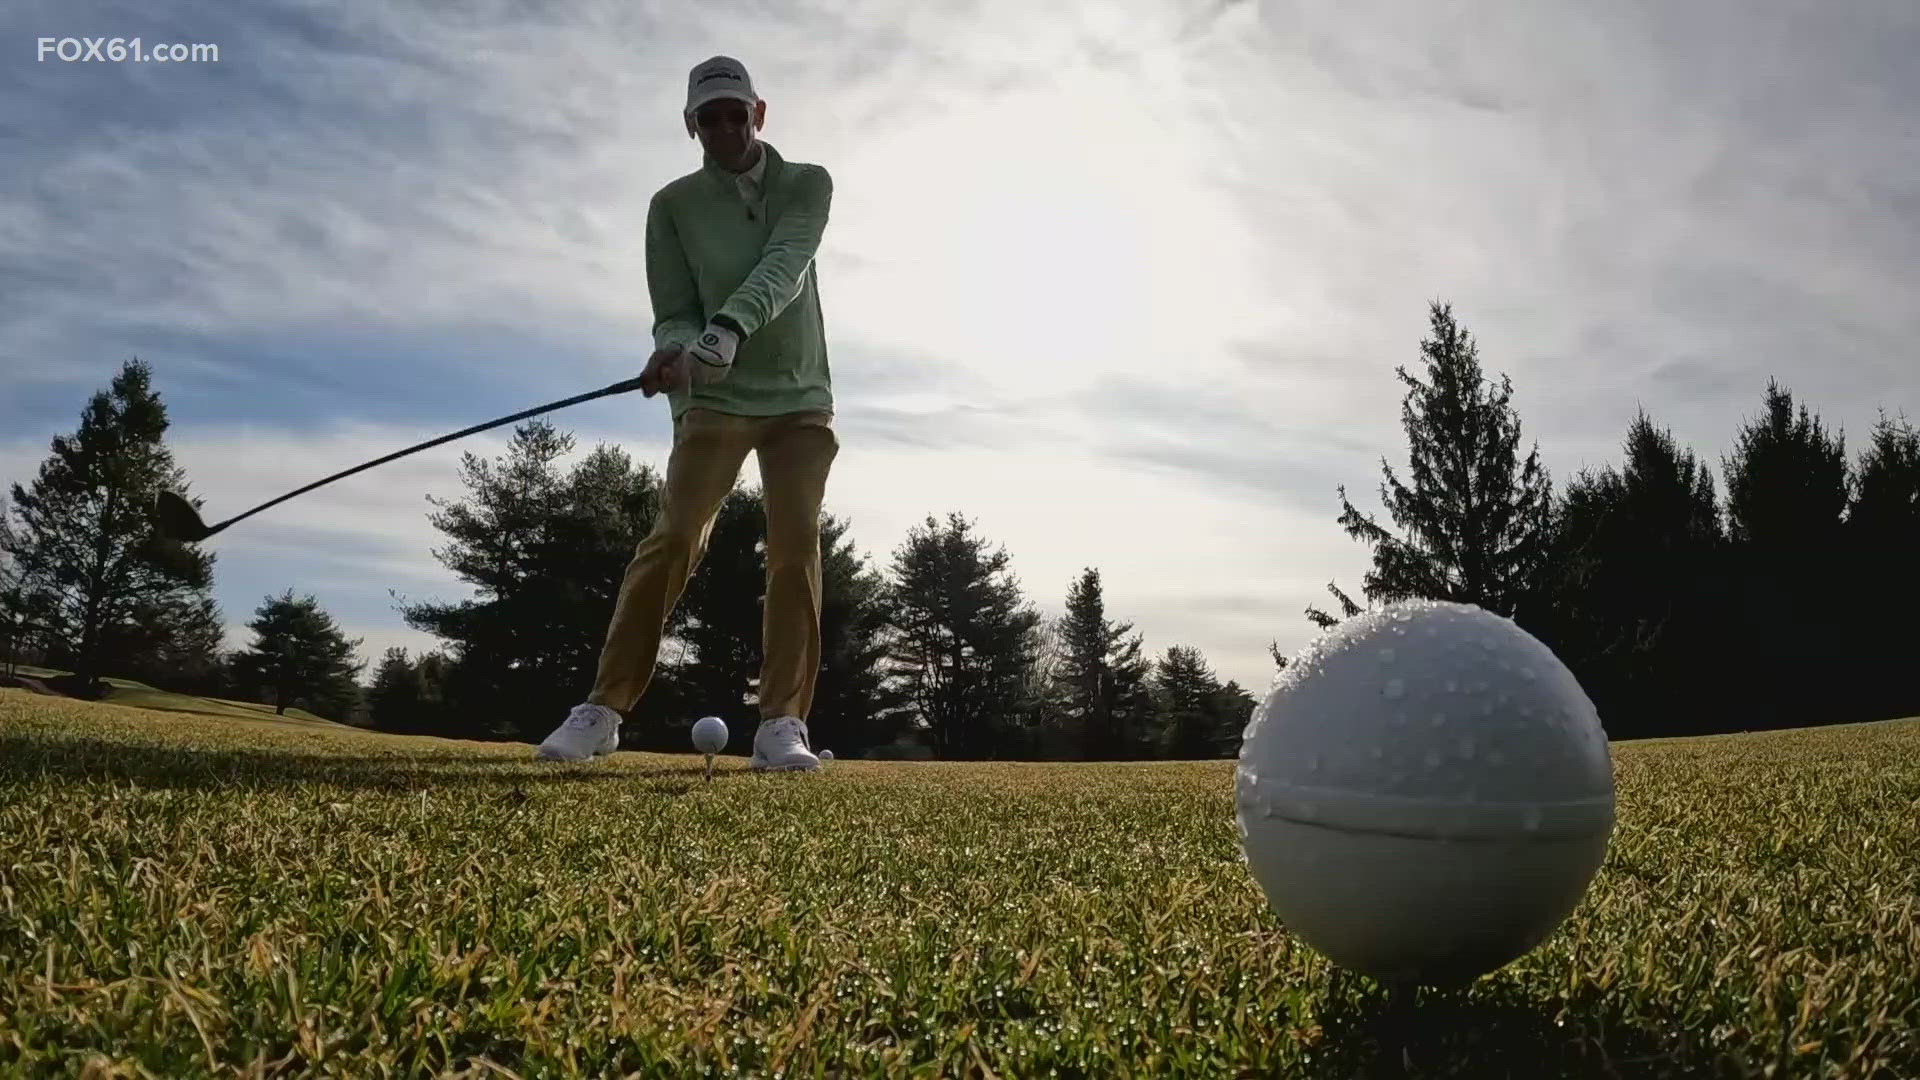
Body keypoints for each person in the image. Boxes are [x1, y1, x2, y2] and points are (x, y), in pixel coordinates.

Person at [536, 55, 837, 771]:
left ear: (760, 114)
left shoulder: (808, 184)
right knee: (673, 539)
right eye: (712, 118)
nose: (728, 128)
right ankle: (604, 710)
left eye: (739, 113)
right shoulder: (670, 206)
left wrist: (724, 331)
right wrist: (674, 353)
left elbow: (785, 267)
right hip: (715, 399)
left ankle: (780, 725)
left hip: (799, 397)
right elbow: (672, 310)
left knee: (795, 551)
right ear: (690, 125)